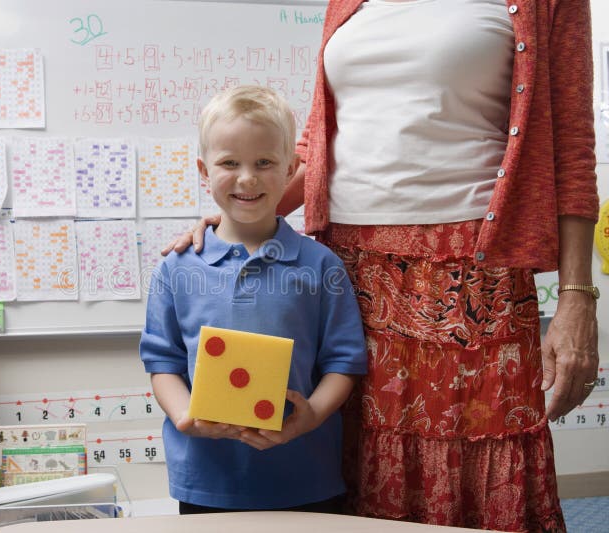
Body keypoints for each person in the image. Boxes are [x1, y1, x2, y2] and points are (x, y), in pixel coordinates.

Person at [165, 1, 600, 530]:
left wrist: (577, 295)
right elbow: (319, 142)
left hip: (471, 273)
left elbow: (570, 142)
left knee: (476, 462)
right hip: (347, 269)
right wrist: (235, 222)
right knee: (351, 462)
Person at [140, 85, 367, 514]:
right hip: (207, 480)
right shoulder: (176, 268)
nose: (247, 178)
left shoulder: (322, 265)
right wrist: (186, 417)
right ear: (204, 171)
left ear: (291, 169)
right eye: (230, 163)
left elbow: (344, 361)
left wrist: (311, 416)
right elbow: (162, 361)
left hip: (306, 476)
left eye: (264, 162)